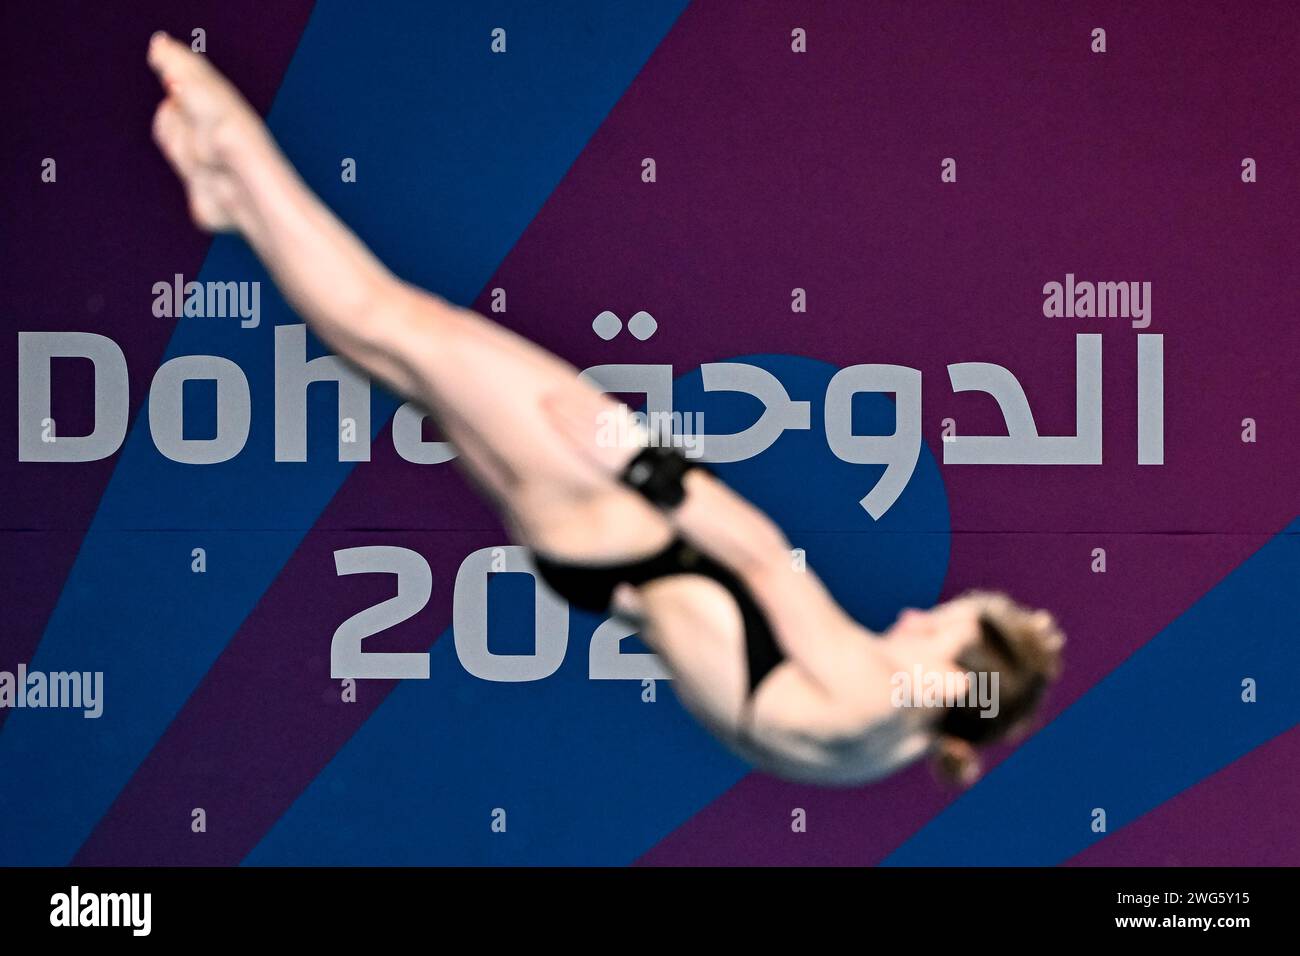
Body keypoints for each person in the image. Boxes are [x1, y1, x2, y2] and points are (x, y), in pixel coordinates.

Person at [145, 31, 1064, 787]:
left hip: (618, 508)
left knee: (401, 323)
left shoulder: (878, 690)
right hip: (596, 567)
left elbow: (763, 563)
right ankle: (236, 203)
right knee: (399, 363)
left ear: (953, 674)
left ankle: (231, 140)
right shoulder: (871, 757)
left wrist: (638, 458)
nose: (916, 614)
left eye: (943, 623)